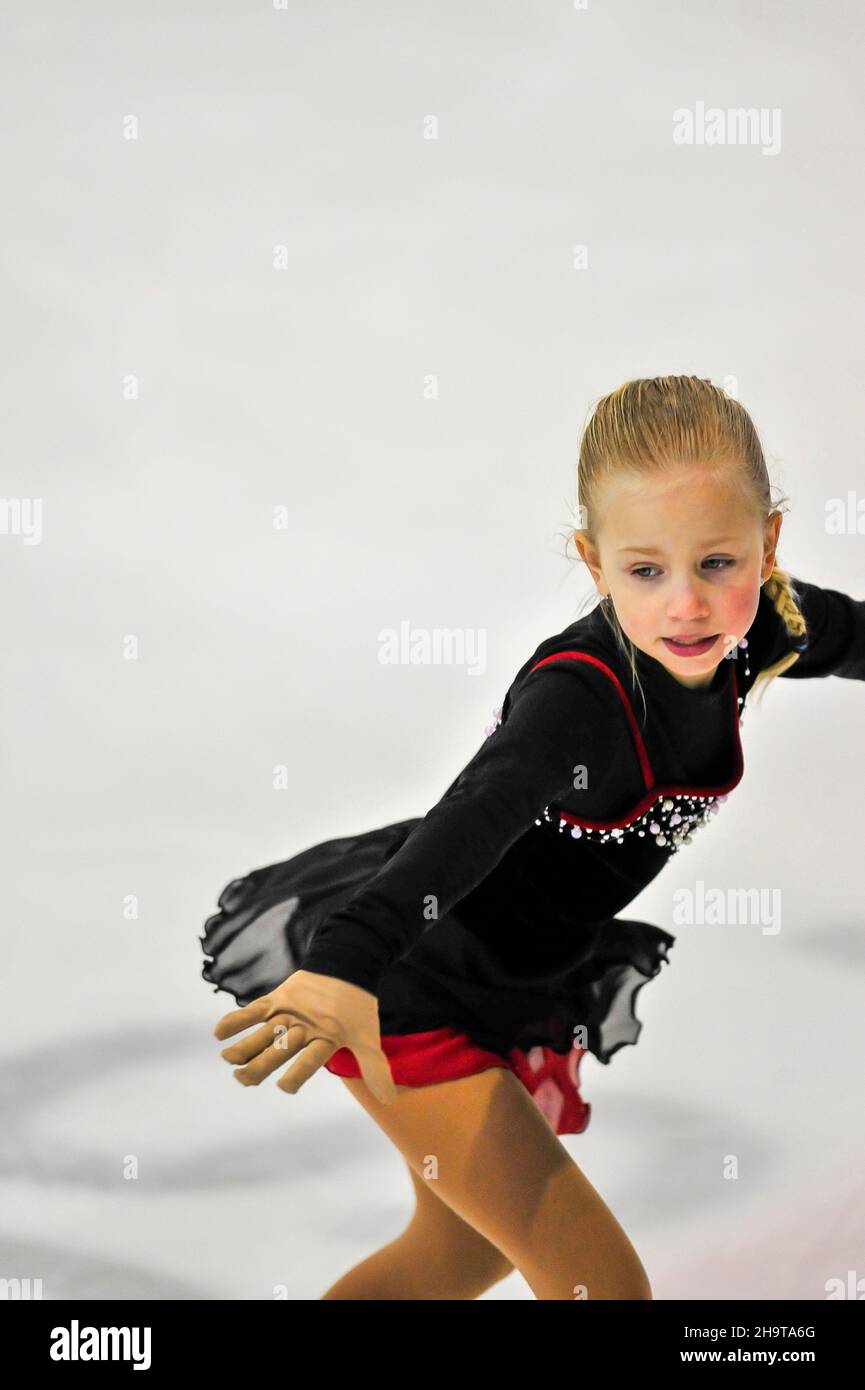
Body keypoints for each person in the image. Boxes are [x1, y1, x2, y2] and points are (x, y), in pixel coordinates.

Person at [201, 375, 864, 1299]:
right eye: (645, 571)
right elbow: (467, 824)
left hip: (517, 981)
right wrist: (350, 960)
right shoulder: (578, 702)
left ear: (768, 544)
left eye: (717, 562)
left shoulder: (766, 626)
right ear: (593, 564)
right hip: (413, 982)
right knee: (603, 1291)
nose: (686, 606)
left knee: (460, 1254)